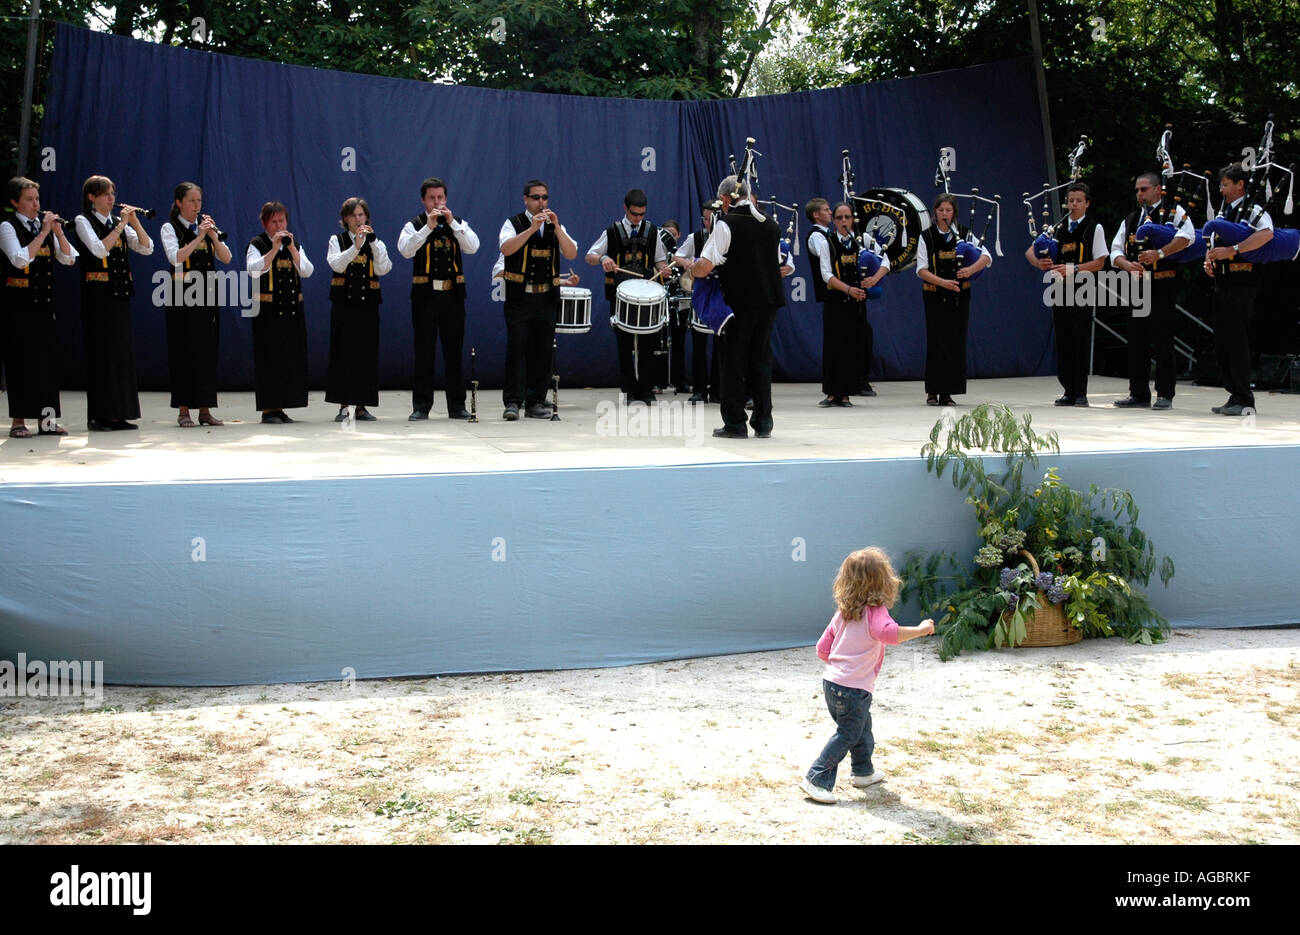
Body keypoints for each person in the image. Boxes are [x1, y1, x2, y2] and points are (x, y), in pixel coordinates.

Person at [800, 547, 935, 804]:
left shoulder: (843, 613)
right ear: (883, 581)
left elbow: (822, 649)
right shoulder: (876, 612)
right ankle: (816, 777)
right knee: (848, 733)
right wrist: (919, 630)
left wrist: (842, 667)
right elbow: (888, 634)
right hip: (854, 689)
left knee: (861, 727)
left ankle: (863, 772)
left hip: (831, 683)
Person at [692, 175, 786, 439]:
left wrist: (694, 269)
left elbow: (706, 266)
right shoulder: (771, 224)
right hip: (769, 301)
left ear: (724, 199)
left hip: (739, 303)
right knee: (761, 360)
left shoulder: (726, 224)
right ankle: (764, 420)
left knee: (733, 362)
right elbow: (777, 261)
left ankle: (734, 422)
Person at [1110, 171, 1195, 411]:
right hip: (1137, 284)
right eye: (1137, 190)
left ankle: (1165, 394)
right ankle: (1138, 393)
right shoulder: (1131, 218)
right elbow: (1115, 250)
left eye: (1144, 189)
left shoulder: (1173, 211)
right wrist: (1126, 264)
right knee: (1136, 340)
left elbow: (1188, 236)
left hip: (1162, 282)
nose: (1140, 194)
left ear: (1158, 189)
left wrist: (1159, 253)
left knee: (1162, 339)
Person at [74, 175, 153, 432]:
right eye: (106, 194)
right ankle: (99, 416)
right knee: (101, 355)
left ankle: (120, 413)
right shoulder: (83, 221)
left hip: (119, 295)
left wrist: (135, 223)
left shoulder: (119, 223)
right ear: (92, 197)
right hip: (97, 297)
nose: (112, 199)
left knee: (120, 355)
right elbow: (99, 250)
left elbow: (147, 247)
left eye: (113, 194)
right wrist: (120, 226)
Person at [397, 177, 479, 420]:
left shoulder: (457, 223)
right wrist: (428, 227)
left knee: (454, 351)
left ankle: (457, 406)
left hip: (453, 296)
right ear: (423, 200)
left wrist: (452, 222)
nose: (437, 202)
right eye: (432, 198)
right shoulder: (415, 225)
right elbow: (405, 250)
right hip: (425, 296)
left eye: (441, 197)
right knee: (424, 352)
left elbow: (473, 246)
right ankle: (421, 406)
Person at [2, 177, 76, 438]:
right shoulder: (7, 227)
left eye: (37, 199)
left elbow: (68, 258)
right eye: (29, 200)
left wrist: (58, 233)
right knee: (21, 362)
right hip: (18, 306)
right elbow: (19, 259)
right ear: (15, 202)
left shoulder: (44, 228)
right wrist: (44, 232)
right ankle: (18, 421)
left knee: (46, 364)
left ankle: (47, 421)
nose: (36, 205)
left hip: (44, 306)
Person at [499, 179, 578, 420]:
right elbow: (506, 249)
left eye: (544, 197)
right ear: (526, 199)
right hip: (520, 298)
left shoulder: (555, 224)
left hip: (546, 297)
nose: (541, 202)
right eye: (535, 198)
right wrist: (532, 229)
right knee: (517, 350)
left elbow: (571, 252)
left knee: (543, 352)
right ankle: (513, 401)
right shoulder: (513, 223)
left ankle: (535, 402)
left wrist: (557, 227)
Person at [585, 188, 670, 406]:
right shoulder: (612, 231)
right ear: (625, 208)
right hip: (621, 295)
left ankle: (645, 389)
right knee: (624, 345)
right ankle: (629, 388)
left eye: (642, 214)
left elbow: (660, 261)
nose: (638, 218)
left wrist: (664, 268)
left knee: (648, 344)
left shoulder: (653, 232)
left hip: (647, 293)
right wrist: (603, 258)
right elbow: (589, 256)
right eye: (635, 214)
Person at [1025, 181, 1106, 406]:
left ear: (1087, 203)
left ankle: (1080, 391)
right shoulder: (1058, 229)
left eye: (1079, 201)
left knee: (1079, 338)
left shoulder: (1093, 227)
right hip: (1060, 290)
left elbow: (1100, 262)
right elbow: (1030, 252)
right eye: (1071, 201)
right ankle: (1068, 389)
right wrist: (1039, 263)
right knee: (1063, 339)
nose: (1074, 205)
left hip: (1083, 289)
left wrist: (1076, 268)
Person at [160, 182, 233, 427]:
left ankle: (205, 409)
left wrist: (212, 234)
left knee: (206, 352)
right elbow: (176, 257)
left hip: (207, 294)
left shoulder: (206, 228)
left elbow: (226, 257)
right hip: (182, 295)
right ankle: (183, 411)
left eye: (199, 201)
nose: (196, 206)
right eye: (191, 201)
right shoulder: (170, 228)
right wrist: (199, 236)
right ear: (179, 202)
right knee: (183, 352)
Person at [1203, 163, 1274, 416]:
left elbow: (1267, 234)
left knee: (1237, 341)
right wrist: (1209, 261)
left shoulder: (1253, 210)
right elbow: (1214, 243)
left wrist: (1233, 250)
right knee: (1222, 344)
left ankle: (1245, 398)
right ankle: (1234, 393)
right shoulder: (1225, 213)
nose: (1221, 189)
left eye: (1225, 184)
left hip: (1243, 284)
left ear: (1239, 185)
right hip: (1222, 283)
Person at [813, 200, 888, 407]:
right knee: (833, 346)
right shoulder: (827, 243)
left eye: (847, 217)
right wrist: (847, 289)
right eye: (839, 218)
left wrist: (874, 279)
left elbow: (885, 261)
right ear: (834, 221)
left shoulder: (862, 240)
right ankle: (831, 393)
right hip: (836, 300)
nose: (844, 221)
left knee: (852, 347)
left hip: (857, 303)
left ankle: (846, 393)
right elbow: (826, 274)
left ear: (853, 219)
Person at [917, 193, 989, 406]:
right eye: (941, 211)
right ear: (935, 213)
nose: (944, 214)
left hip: (960, 295)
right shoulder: (927, 236)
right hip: (935, 294)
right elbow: (921, 269)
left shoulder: (964, 233)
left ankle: (948, 391)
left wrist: (970, 270)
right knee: (937, 342)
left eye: (948, 211)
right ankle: (933, 389)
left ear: (954, 213)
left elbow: (986, 256)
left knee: (954, 342)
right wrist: (942, 282)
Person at [245, 201, 313, 423]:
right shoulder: (257, 243)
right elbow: (254, 270)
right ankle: (268, 409)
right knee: (269, 359)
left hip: (292, 310)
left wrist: (291, 248)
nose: (278, 225)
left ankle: (281, 406)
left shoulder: (294, 244)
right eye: (274, 221)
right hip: (268, 312)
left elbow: (307, 271)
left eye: (282, 220)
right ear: (265, 223)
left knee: (289, 359)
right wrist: (274, 248)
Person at [326, 197, 393, 421]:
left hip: (368, 304)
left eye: (361, 215)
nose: (358, 219)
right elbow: (336, 264)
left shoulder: (376, 242)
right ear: (345, 219)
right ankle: (344, 406)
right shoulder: (337, 240)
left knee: (366, 354)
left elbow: (384, 268)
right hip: (344, 304)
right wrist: (355, 247)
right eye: (354, 215)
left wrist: (372, 243)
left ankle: (362, 405)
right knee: (343, 353)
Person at [674, 200, 722, 403]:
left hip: (721, 293)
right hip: (702, 292)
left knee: (722, 343)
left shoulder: (726, 236)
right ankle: (700, 389)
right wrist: (690, 263)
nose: (707, 222)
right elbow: (677, 256)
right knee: (699, 344)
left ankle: (719, 389)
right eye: (705, 218)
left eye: (711, 219)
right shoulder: (696, 237)